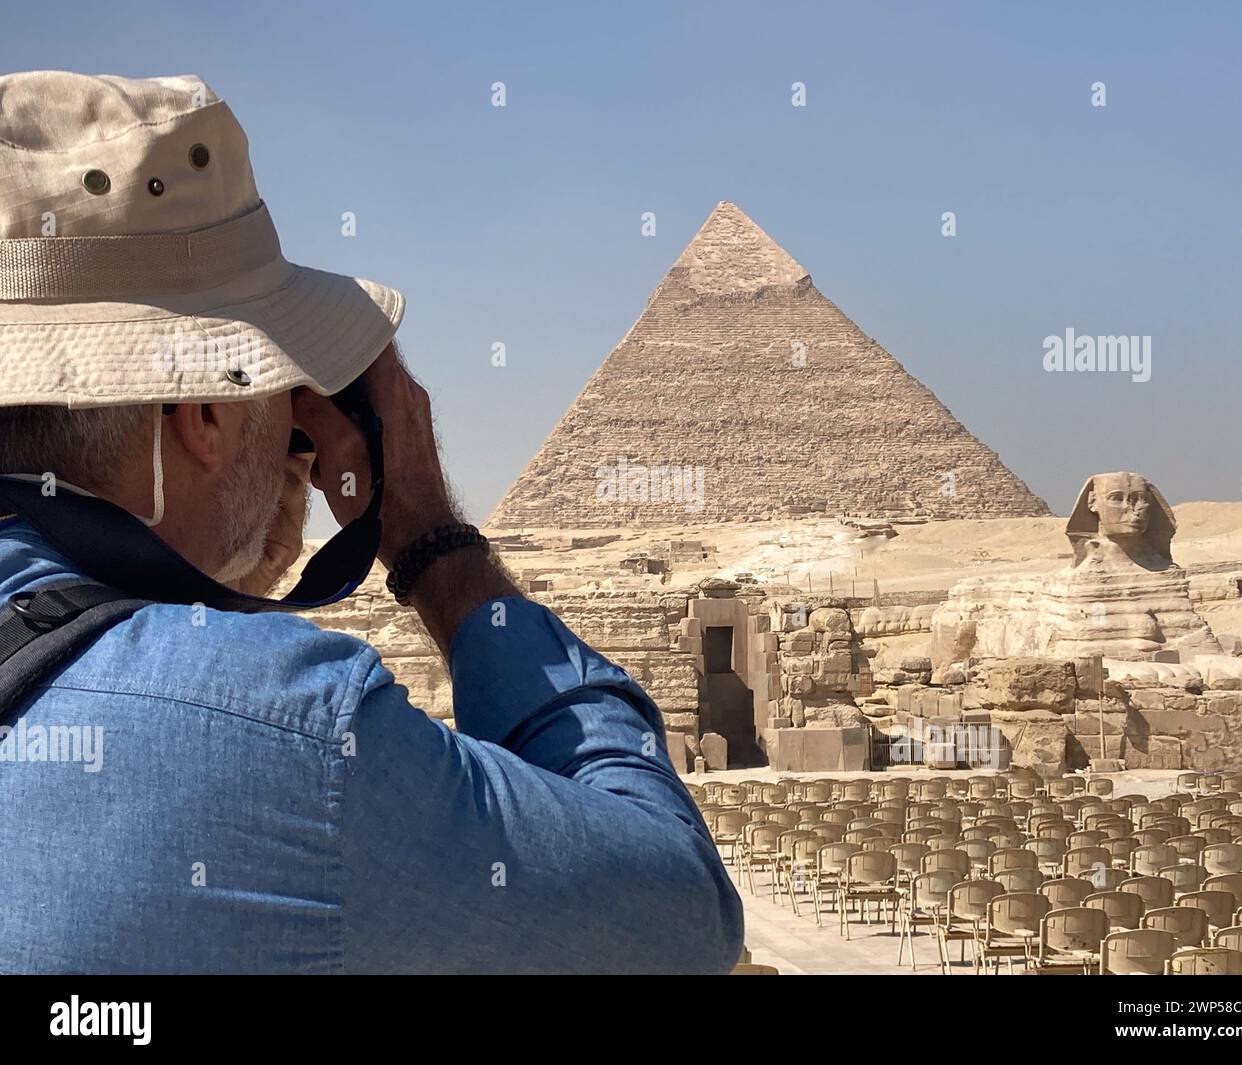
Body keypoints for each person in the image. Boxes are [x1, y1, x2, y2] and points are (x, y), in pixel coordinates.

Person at [0, 71, 742, 973]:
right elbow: (679, 914)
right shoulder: (293, 737)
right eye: (284, 384)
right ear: (204, 411)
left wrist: (217, 543)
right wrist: (430, 536)